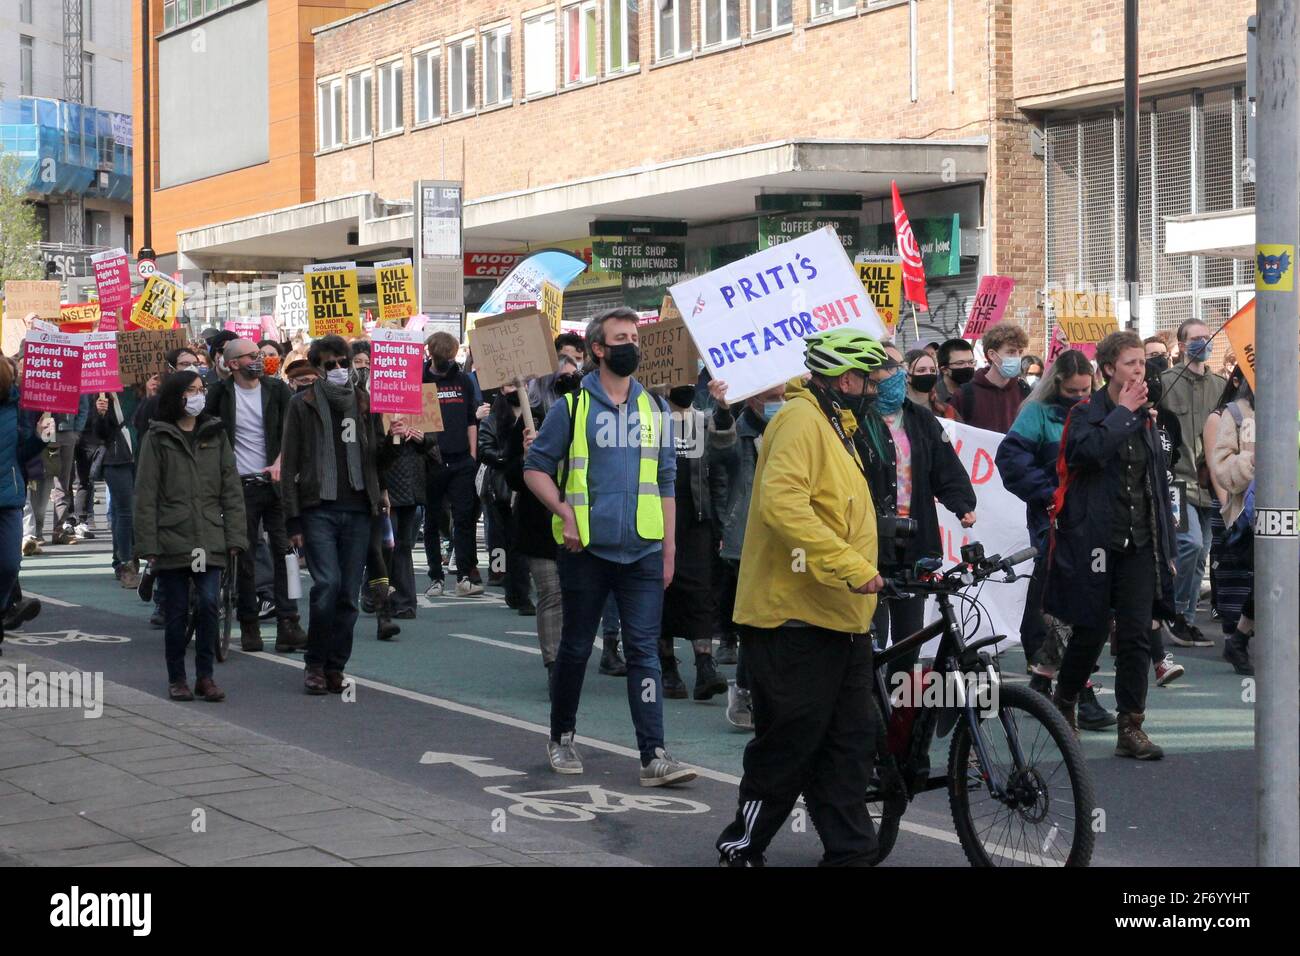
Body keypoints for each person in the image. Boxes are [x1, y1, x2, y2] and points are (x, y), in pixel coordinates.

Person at [716, 329, 887, 867]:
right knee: (789, 744)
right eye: (867, 379)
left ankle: (851, 852)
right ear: (842, 379)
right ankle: (742, 846)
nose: (873, 389)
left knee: (849, 744)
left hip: (842, 616)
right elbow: (783, 506)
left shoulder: (840, 428)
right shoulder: (799, 421)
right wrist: (851, 566)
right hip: (792, 617)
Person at [524, 306, 694, 787]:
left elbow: (666, 480)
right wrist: (566, 514)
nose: (632, 346)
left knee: (644, 651)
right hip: (586, 552)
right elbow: (535, 468)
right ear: (598, 349)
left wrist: (669, 548)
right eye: (622, 339)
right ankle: (562, 737)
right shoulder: (573, 407)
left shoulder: (654, 408)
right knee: (576, 647)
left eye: (635, 338)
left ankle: (653, 755)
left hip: (643, 551)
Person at [1044, 330, 1177, 760]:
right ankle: (1065, 698)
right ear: (1107, 369)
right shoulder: (1086, 412)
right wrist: (1122, 413)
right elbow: (1085, 453)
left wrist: (1167, 548)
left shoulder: (1147, 418)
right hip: (1096, 541)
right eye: (1130, 363)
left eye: (1142, 363)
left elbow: (1156, 484)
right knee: (1091, 628)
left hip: (1139, 541)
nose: (1140, 370)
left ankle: (1131, 725)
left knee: (1137, 634)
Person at [996, 349, 1118, 727]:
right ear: (1057, 385)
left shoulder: (1101, 411)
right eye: (1072, 391)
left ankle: (1045, 677)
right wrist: (1049, 495)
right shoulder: (1037, 413)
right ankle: (1079, 691)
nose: (1079, 397)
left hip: (1092, 518)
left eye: (1085, 390)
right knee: (1074, 602)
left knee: (1075, 603)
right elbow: (1011, 459)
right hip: (1054, 518)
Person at [281, 335, 392, 695]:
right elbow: (290, 463)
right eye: (330, 365)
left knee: (347, 593)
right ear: (317, 368)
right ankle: (314, 663)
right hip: (318, 509)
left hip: (359, 509)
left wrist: (395, 440)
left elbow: (378, 457)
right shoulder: (302, 404)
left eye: (343, 362)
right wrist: (292, 520)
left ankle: (335, 666)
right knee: (327, 585)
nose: (340, 369)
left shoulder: (364, 402)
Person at [858, 342, 976, 682]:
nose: (896, 375)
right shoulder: (856, 422)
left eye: (899, 367)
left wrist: (962, 504)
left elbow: (945, 466)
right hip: (870, 545)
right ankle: (870, 703)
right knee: (871, 639)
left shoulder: (920, 418)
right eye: (889, 367)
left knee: (910, 639)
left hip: (914, 544)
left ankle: (900, 707)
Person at [134, 370, 248, 702]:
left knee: (210, 603)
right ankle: (177, 678)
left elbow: (231, 489)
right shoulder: (157, 438)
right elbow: (145, 494)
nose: (199, 395)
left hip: (208, 535)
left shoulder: (216, 434)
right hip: (172, 538)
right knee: (177, 612)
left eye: (201, 389)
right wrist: (148, 545)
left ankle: (205, 676)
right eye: (191, 390)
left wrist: (235, 537)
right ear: (177, 396)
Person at [205, 338, 306, 654]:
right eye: (252, 356)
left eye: (260, 355)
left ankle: (289, 622)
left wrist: (281, 462)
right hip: (239, 488)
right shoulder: (219, 394)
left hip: (276, 487)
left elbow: (294, 431)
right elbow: (205, 434)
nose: (259, 360)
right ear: (233, 364)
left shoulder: (277, 390)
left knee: (285, 554)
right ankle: (249, 623)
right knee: (244, 557)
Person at [658, 377, 735, 701]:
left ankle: (705, 665)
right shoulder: (650, 422)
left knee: (701, 593)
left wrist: (720, 525)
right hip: (658, 521)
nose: (685, 385)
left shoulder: (702, 422)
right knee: (661, 594)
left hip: (696, 522)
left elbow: (723, 459)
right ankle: (667, 669)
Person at [717, 383, 787, 731]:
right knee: (757, 618)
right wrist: (721, 412)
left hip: (785, 534)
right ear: (752, 397)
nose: (778, 403)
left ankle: (769, 689)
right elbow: (720, 451)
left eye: (783, 396)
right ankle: (745, 689)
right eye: (771, 398)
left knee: (781, 615)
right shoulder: (738, 432)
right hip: (746, 538)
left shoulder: (792, 425)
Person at [1158, 318, 1225, 646]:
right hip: (1177, 482)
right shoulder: (1166, 383)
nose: (1204, 342)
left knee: (1201, 556)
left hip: (1210, 484)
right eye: (1196, 338)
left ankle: (1185, 619)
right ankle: (1173, 612)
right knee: (1190, 544)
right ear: (1182, 345)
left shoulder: (1220, 386)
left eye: (1207, 337)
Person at [422, 332, 483, 597]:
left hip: (461, 460)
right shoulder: (420, 379)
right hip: (432, 460)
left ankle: (463, 576)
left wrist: (472, 456)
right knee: (433, 520)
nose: (446, 360)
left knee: (464, 519)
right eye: (442, 356)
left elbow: (471, 420)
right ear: (431, 353)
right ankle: (436, 576)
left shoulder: (463, 380)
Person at [1210, 371, 1255, 675]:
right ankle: (1239, 638)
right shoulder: (1237, 413)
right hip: (1255, 514)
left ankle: (1239, 637)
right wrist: (1251, 461)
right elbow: (1222, 469)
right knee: (1272, 577)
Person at [1, 355, 46, 655]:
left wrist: (41, 438)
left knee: (9, 564)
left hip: (8, 498)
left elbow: (23, 452)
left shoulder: (18, 408)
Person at [477, 383, 534, 613]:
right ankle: (505, 578)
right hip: (503, 489)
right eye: (512, 384)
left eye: (524, 383)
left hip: (531, 486)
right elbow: (485, 451)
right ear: (502, 390)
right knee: (505, 540)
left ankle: (517, 587)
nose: (519, 388)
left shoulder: (537, 416)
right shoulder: (492, 420)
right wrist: (509, 455)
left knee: (522, 541)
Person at [93, 387, 143, 589]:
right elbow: (100, 433)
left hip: (141, 455)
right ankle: (126, 563)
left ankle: (122, 558)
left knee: (127, 510)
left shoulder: (144, 388)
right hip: (117, 458)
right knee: (124, 511)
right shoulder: (103, 391)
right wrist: (101, 414)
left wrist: (150, 396)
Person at [948, 323, 1030, 433]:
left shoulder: (1024, 391)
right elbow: (951, 434)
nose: (1017, 357)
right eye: (1011, 352)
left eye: (1020, 352)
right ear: (992, 355)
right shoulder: (965, 394)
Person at [528, 333, 586, 412]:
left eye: (578, 358)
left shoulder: (586, 391)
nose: (572, 362)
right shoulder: (534, 394)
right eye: (564, 357)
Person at [904, 348, 957, 419]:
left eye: (932, 370)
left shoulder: (946, 410)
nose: (928, 374)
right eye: (921, 370)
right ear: (907, 374)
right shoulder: (897, 410)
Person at [935, 337, 976, 406]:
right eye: (960, 363)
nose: (967, 366)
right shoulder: (932, 397)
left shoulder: (981, 391)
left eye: (971, 362)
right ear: (944, 369)